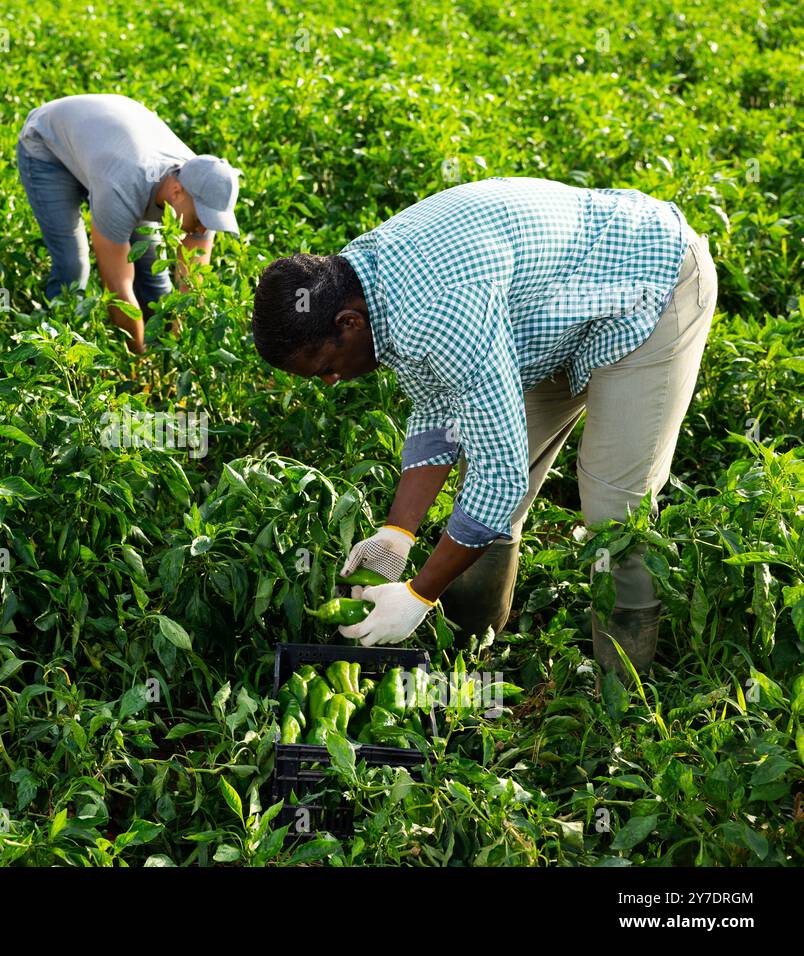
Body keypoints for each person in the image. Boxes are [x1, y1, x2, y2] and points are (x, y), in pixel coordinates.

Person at [250, 177, 717, 677]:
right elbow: (439, 405)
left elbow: (501, 477)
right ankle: (472, 654)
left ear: (348, 324)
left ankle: (623, 694)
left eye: (325, 366)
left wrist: (418, 595)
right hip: (554, 305)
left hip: (647, 286)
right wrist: (397, 533)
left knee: (612, 513)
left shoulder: (438, 312)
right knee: (488, 475)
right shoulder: (358, 282)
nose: (330, 381)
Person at [16, 93, 241, 353]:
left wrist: (177, 353)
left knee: (156, 287)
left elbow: (190, 291)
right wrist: (138, 360)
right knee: (73, 268)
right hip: (48, 143)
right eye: (202, 218)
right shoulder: (122, 188)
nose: (204, 229)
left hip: (107, 145)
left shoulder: (206, 186)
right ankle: (53, 352)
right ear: (176, 192)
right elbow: (119, 292)